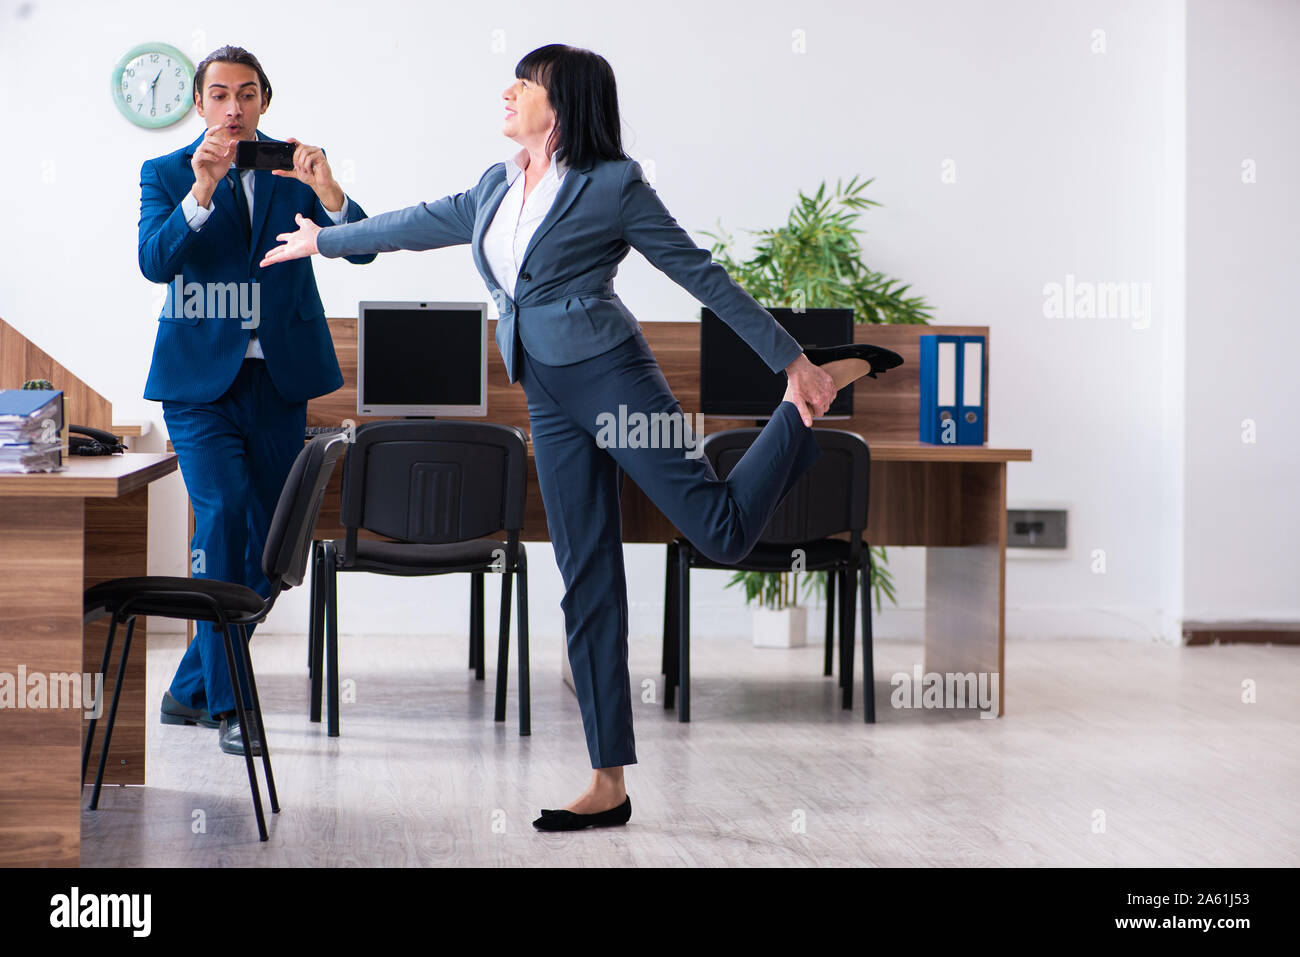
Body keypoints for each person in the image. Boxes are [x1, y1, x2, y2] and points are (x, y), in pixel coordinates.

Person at [260, 43, 901, 827]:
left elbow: (701, 274)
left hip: (612, 376)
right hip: (547, 390)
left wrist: (792, 361)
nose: (507, 93)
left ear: (559, 108)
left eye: (523, 85)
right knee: (586, 573)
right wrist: (324, 237)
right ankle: (609, 780)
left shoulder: (614, 186)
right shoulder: (497, 185)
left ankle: (811, 398)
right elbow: (415, 223)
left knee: (722, 530)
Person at [139, 45, 376, 755]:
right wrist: (200, 194)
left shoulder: (291, 170)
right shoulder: (165, 173)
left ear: (263, 102)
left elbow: (357, 246)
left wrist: (331, 192)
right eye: (219, 94)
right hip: (198, 388)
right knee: (222, 519)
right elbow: (155, 261)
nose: (233, 107)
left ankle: (188, 686)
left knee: (272, 551)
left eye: (246, 93)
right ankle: (232, 706)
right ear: (199, 104)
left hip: (279, 381)